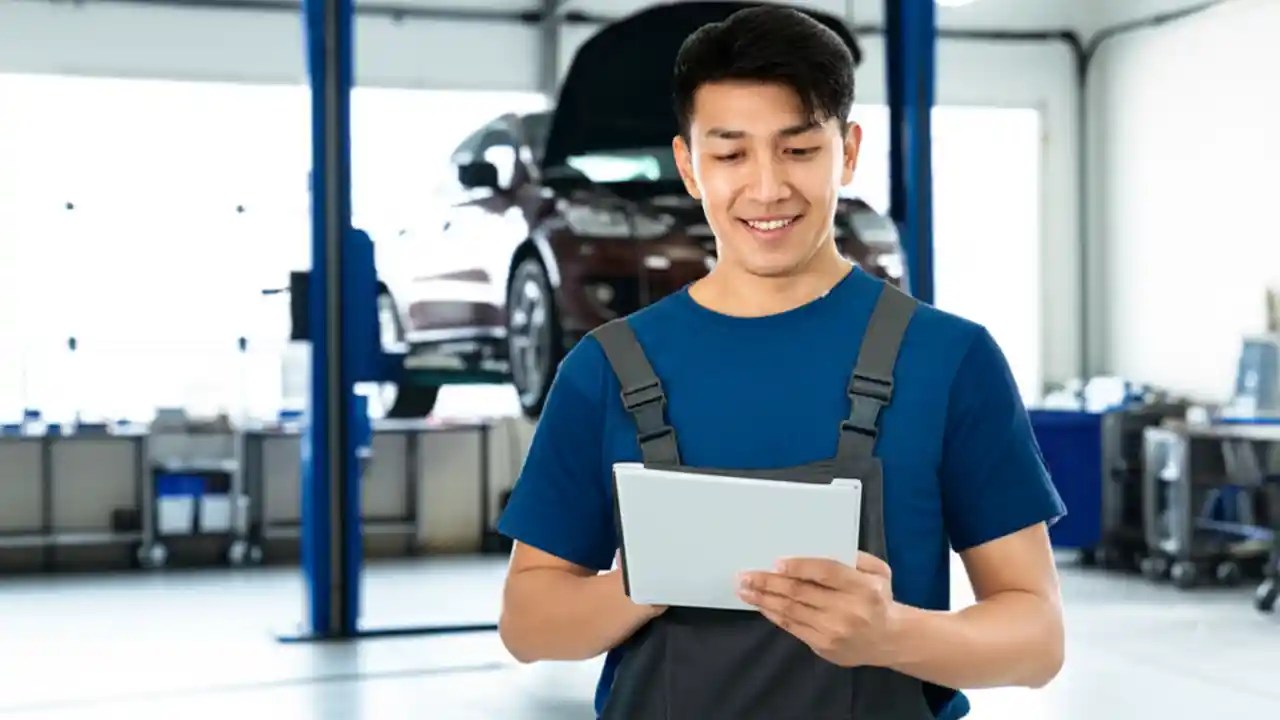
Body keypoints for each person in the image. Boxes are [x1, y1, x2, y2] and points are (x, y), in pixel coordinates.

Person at [494, 5, 1066, 719]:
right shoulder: (606, 370)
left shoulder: (948, 359)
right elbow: (526, 621)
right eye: (731, 154)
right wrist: (650, 579)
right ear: (689, 165)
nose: (766, 188)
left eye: (798, 150)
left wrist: (892, 634)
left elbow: (1037, 636)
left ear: (848, 151)